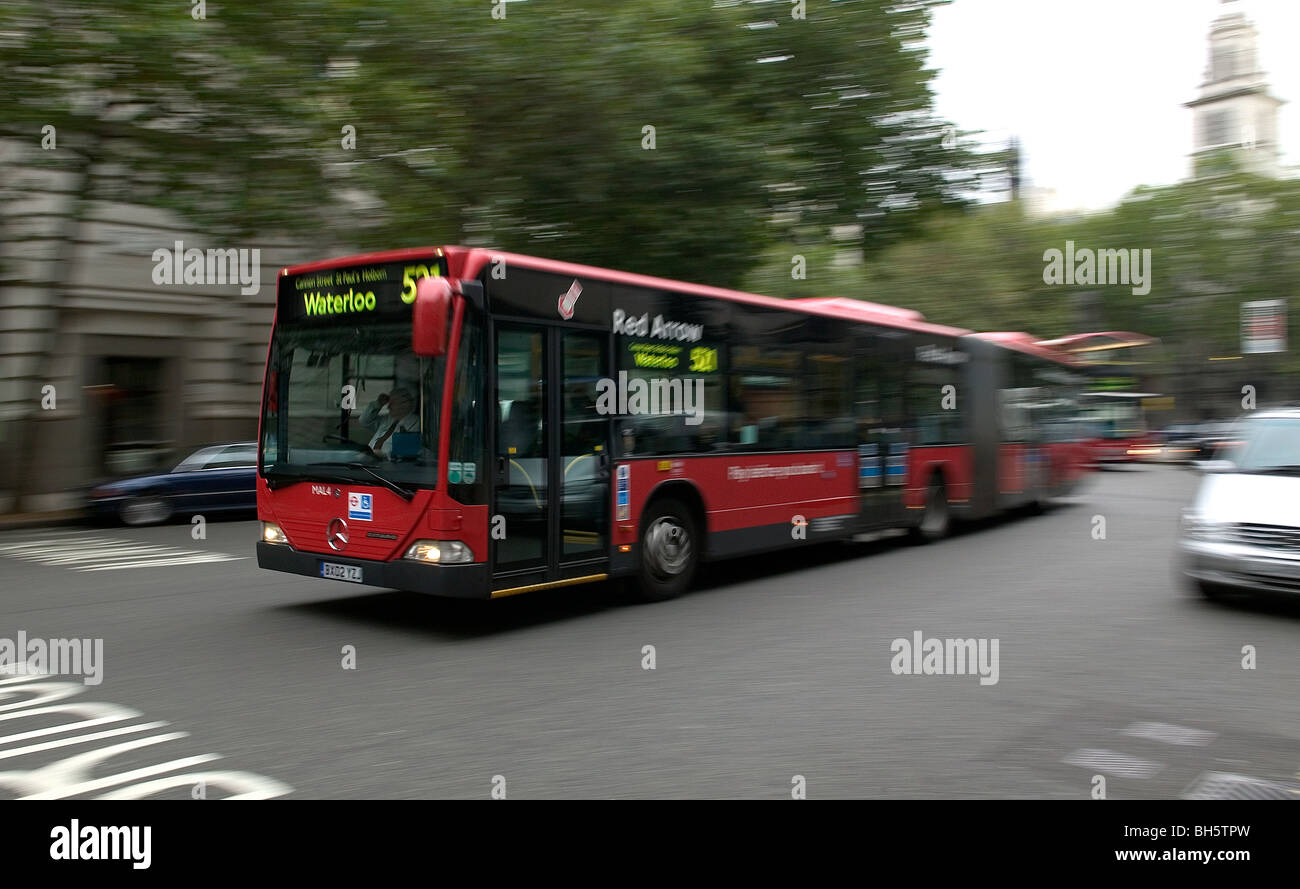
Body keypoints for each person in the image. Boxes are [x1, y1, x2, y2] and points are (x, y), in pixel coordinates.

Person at [361, 387, 419, 457]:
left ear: (404, 405)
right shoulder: (387, 419)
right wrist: (378, 403)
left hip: (390, 464)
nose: (388, 407)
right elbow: (364, 421)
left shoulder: (415, 423)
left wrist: (384, 455)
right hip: (370, 459)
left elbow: (406, 451)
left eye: (392, 404)